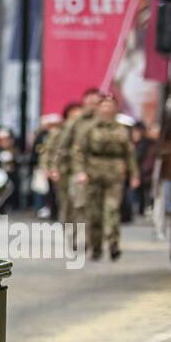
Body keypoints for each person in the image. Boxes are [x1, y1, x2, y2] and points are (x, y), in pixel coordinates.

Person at [72, 93, 139, 261]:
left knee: (112, 210)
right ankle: (95, 247)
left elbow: (129, 154)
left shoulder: (122, 128)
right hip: (93, 173)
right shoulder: (89, 128)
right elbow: (79, 151)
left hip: (115, 174)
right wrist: (80, 171)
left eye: (110, 105)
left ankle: (113, 243)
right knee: (94, 213)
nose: (107, 108)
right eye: (104, 105)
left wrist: (134, 175)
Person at [56, 87, 102, 235]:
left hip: (99, 170)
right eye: (91, 102)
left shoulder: (106, 122)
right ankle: (75, 235)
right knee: (77, 204)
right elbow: (63, 145)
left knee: (96, 206)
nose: (93, 106)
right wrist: (57, 166)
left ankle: (92, 238)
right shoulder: (76, 122)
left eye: (97, 103)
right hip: (75, 170)